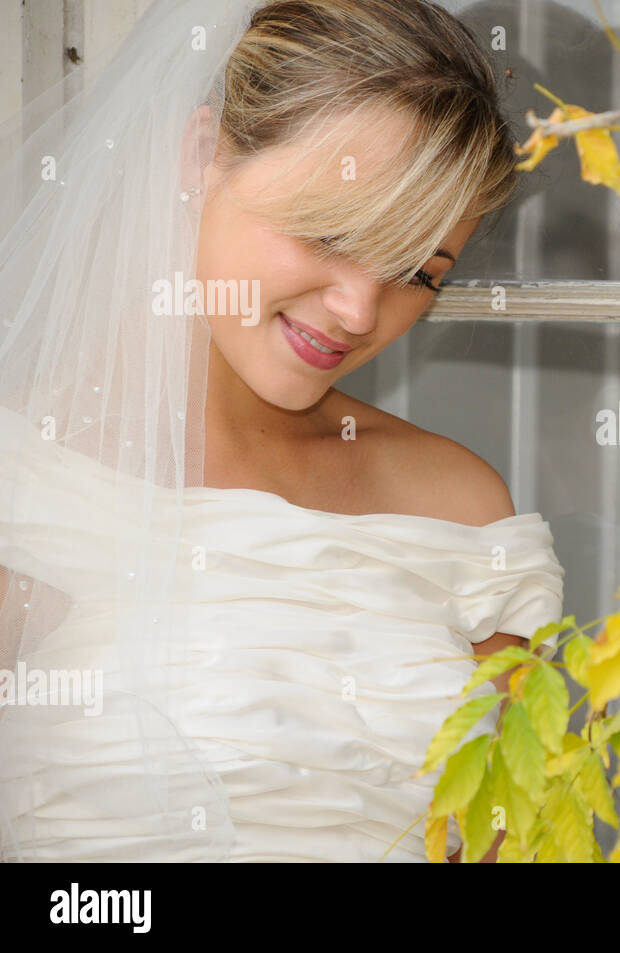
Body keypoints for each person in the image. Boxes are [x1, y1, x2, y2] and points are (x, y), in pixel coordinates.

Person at [0, 0, 564, 862]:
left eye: (419, 270)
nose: (361, 310)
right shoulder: (26, 479)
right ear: (202, 155)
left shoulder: (459, 510)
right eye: (332, 231)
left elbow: (508, 846)